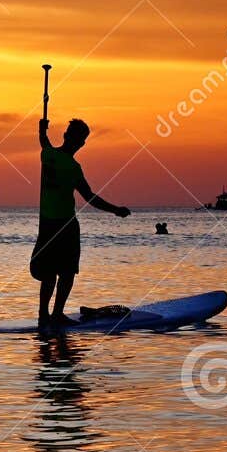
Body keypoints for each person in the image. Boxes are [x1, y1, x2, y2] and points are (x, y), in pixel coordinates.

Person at [30, 117, 129, 330]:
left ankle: (43, 315)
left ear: (65, 136)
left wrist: (41, 130)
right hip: (65, 226)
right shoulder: (73, 168)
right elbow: (90, 197)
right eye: (82, 139)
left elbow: (44, 142)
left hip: (47, 225)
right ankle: (55, 315)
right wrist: (115, 210)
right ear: (82, 143)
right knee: (65, 272)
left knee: (49, 273)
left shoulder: (47, 155)